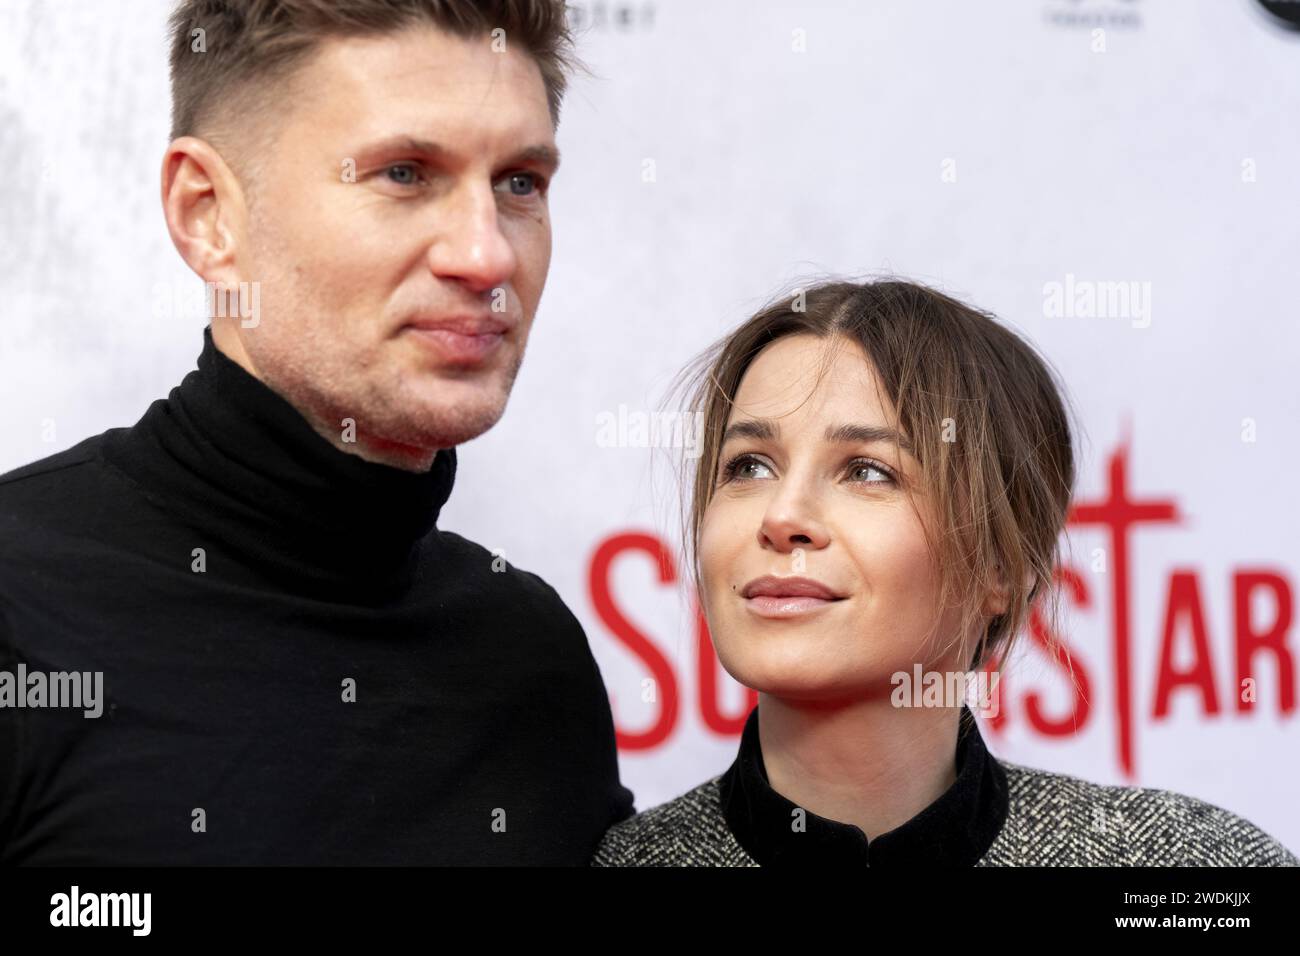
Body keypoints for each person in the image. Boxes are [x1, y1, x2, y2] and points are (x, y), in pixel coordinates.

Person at [0, 0, 634, 865]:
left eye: (519, 182)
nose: (486, 258)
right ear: (208, 215)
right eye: (405, 174)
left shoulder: (531, 660)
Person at [592, 278, 1297, 866]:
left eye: (867, 471)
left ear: (1001, 564)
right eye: (748, 466)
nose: (782, 516)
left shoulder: (1192, 868)